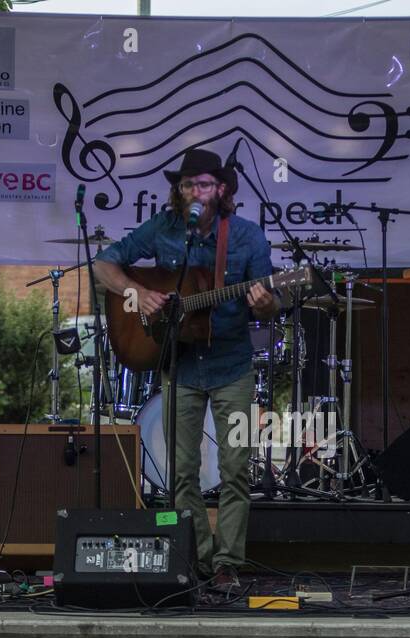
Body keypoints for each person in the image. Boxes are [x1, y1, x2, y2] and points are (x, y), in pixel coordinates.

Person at [94, 148, 281, 596]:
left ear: (221, 189)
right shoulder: (163, 229)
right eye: (187, 185)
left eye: (204, 184)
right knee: (181, 472)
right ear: (179, 191)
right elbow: (103, 264)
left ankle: (228, 563)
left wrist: (267, 302)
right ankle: (196, 559)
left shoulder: (247, 238)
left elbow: (273, 304)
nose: (195, 192)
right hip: (179, 366)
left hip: (232, 366)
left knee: (236, 469)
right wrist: (138, 292)